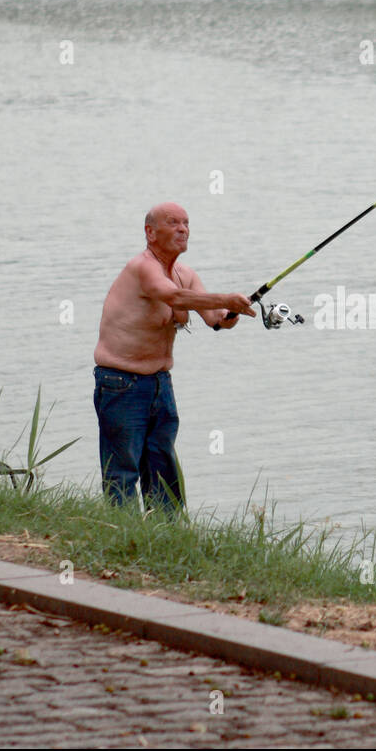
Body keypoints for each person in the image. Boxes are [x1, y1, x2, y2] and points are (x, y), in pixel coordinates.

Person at [92, 203, 254, 516]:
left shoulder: (186, 274)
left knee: (162, 466)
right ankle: (120, 532)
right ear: (150, 232)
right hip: (120, 383)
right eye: (173, 223)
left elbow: (216, 319)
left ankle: (165, 531)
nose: (183, 229)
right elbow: (174, 297)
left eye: (186, 223)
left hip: (160, 384)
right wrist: (226, 298)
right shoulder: (142, 268)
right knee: (122, 470)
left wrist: (232, 312)